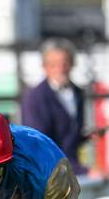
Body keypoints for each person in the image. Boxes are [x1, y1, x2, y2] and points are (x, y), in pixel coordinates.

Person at [20, 39, 89, 175]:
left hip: (72, 169)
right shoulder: (35, 97)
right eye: (54, 64)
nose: (60, 68)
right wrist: (80, 170)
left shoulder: (78, 93)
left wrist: (87, 136)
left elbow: (70, 138)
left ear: (73, 63)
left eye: (65, 63)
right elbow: (40, 145)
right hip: (48, 174)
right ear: (44, 66)